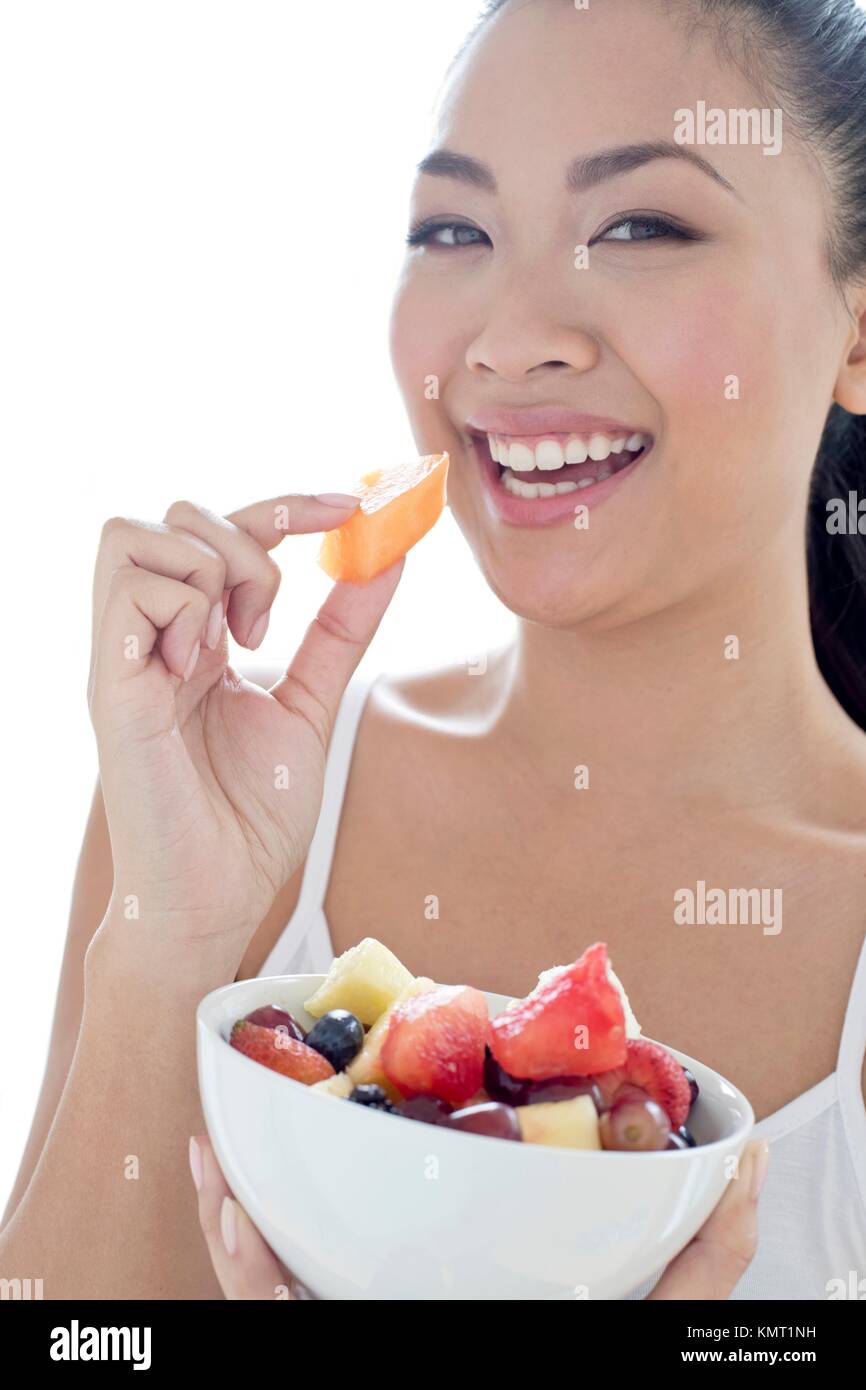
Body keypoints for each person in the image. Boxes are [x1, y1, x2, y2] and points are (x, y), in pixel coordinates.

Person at [5, 0, 866, 1300]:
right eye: (453, 230)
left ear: (852, 328)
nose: (510, 337)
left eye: (638, 225)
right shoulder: (240, 801)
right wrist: (171, 935)